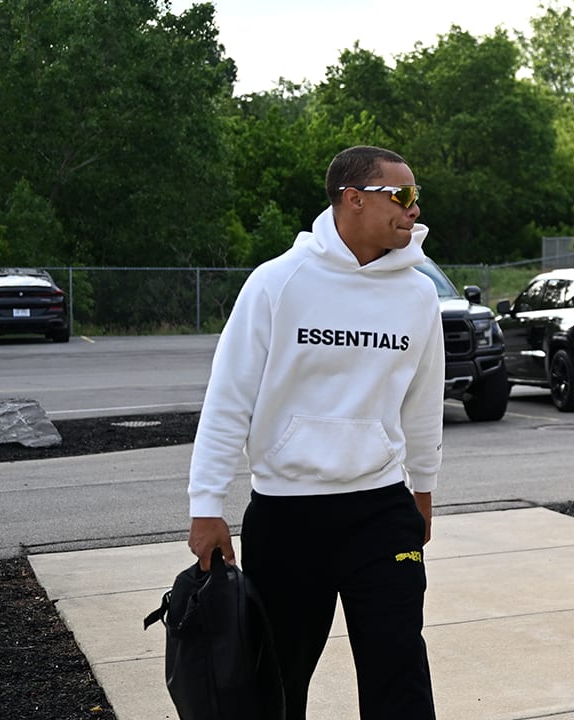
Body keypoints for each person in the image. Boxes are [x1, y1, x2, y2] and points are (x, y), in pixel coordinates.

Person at [187, 145, 444, 719]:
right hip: (287, 516)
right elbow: (229, 401)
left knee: (398, 670)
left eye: (416, 197)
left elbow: (423, 404)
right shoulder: (278, 283)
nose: (414, 211)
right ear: (353, 199)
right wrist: (206, 506)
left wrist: (422, 491)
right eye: (401, 196)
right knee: (277, 680)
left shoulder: (419, 293)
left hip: (382, 511)